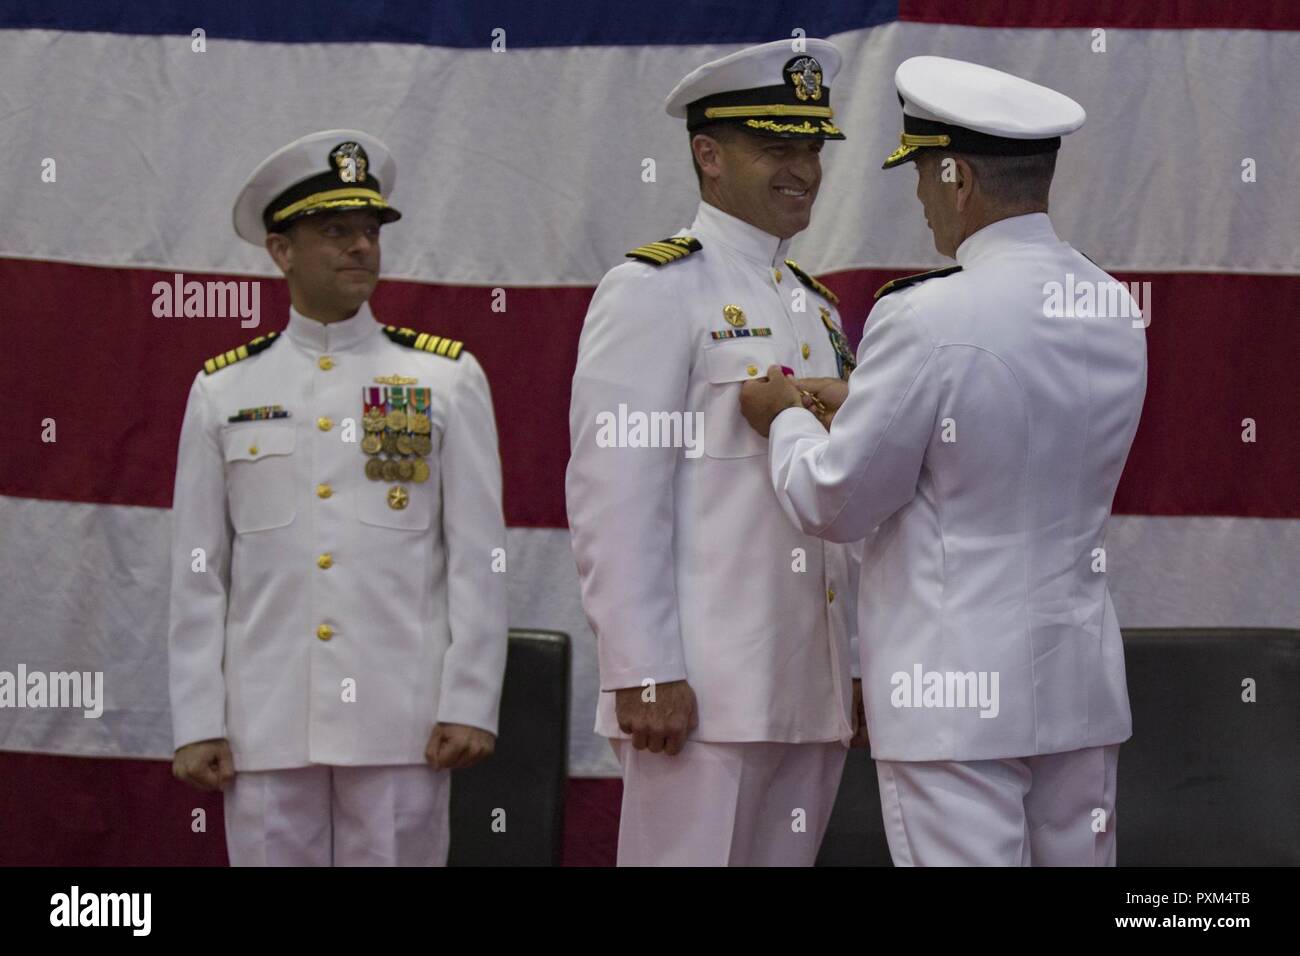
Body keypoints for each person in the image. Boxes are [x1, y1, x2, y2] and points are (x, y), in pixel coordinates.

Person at [739, 56, 1146, 866]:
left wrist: (785, 417)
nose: (923, 198)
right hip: (1076, 686)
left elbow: (835, 500)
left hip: (954, 698)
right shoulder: (1110, 305)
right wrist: (859, 397)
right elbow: (1014, 423)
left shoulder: (925, 314)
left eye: (924, 174)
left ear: (956, 176)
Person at [168, 129, 508, 866]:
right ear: (280, 251)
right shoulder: (224, 390)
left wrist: (469, 701)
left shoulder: (445, 380)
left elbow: (479, 560)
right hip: (266, 722)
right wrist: (198, 718)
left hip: (403, 721)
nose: (360, 247)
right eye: (334, 231)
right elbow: (199, 573)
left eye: (368, 231)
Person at [566, 40, 867, 867]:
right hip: (701, 692)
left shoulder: (815, 305)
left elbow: (837, 505)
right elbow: (614, 491)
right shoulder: (657, 288)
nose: (803, 168)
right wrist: (642, 666)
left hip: (806, 687)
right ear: (709, 153)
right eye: (778, 146)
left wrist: (855, 666)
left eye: (811, 148)